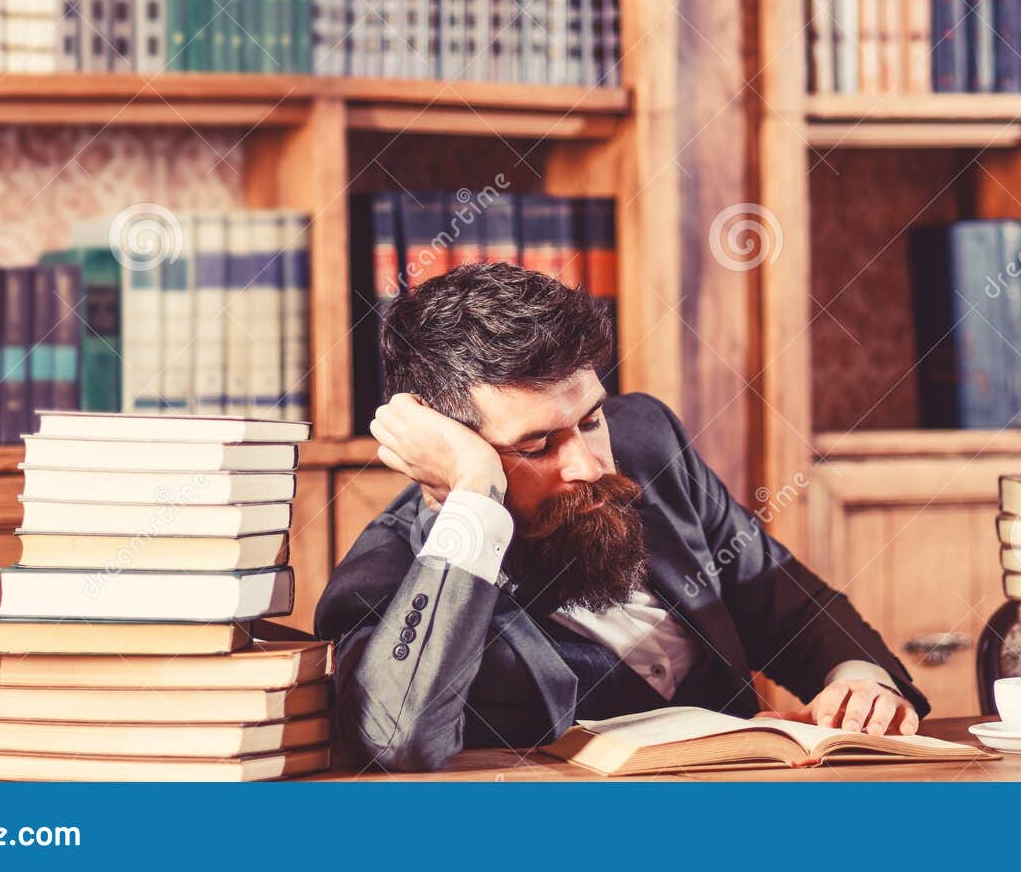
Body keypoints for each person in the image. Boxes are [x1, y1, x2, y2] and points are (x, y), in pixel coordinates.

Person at [316, 262, 929, 772]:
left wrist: (859, 681)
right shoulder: (388, 579)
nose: (587, 464)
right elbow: (396, 741)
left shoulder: (647, 441)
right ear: (445, 448)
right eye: (535, 446)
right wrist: (476, 492)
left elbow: (785, 603)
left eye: (589, 420)